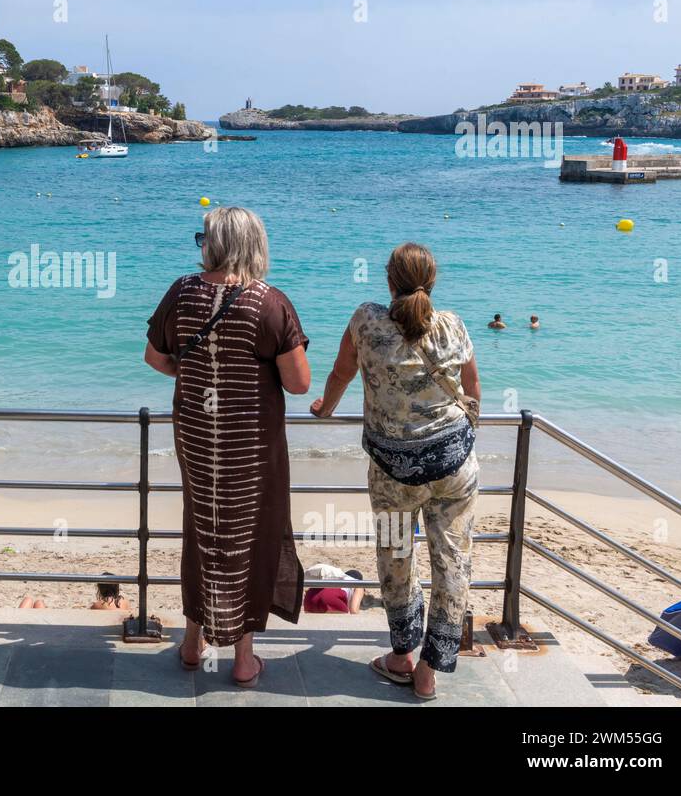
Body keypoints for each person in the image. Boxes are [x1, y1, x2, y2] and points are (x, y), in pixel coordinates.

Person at [145, 206, 310, 688]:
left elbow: (155, 356)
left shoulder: (181, 292)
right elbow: (299, 384)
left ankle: (193, 644)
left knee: (203, 527)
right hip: (252, 444)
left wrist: (193, 376)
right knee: (251, 536)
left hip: (197, 438)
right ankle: (242, 658)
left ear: (214, 245)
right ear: (255, 246)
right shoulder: (269, 303)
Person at [310, 242, 481, 702]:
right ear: (434, 280)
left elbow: (341, 373)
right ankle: (429, 669)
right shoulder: (453, 326)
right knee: (452, 560)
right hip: (453, 464)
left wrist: (324, 410)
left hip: (393, 469)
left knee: (396, 555)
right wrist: (467, 435)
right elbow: (472, 388)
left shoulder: (366, 321)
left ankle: (402, 655)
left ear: (388, 281)